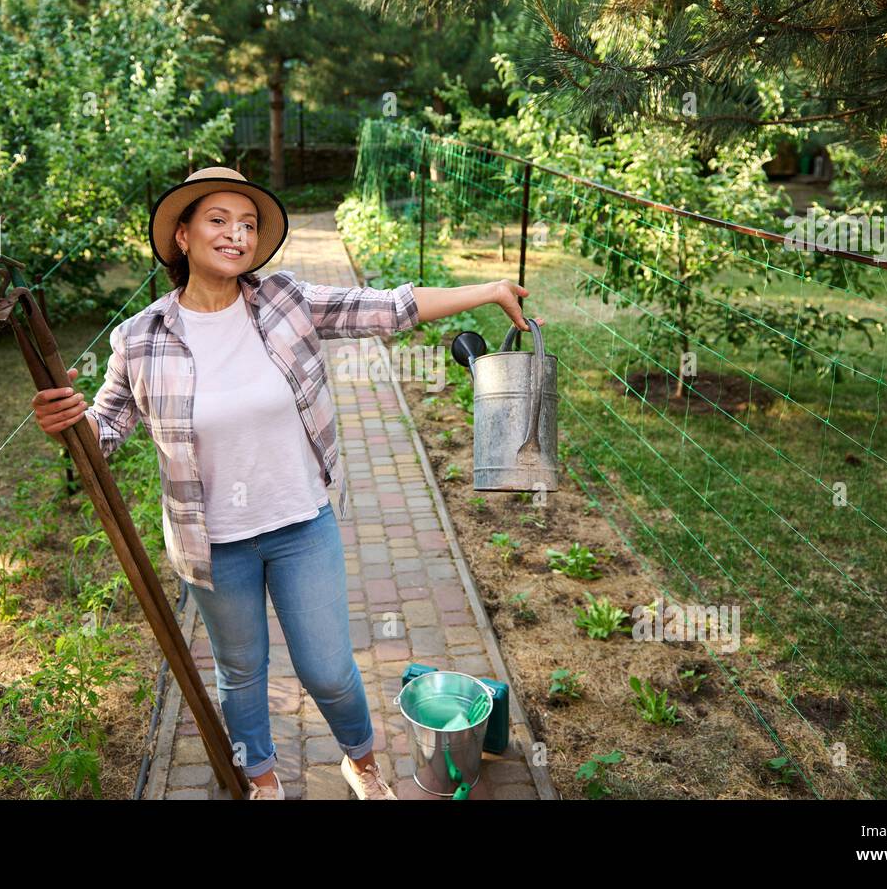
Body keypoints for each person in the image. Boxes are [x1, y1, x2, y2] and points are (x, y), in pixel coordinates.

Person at [31, 165, 543, 800]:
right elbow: (103, 434)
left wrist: (488, 287)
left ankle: (360, 761)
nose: (236, 234)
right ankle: (264, 780)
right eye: (217, 220)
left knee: (328, 670)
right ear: (182, 237)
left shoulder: (285, 301)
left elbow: (389, 308)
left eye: (247, 224)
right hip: (212, 543)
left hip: (301, 522)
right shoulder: (141, 338)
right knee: (241, 673)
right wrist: (70, 426)